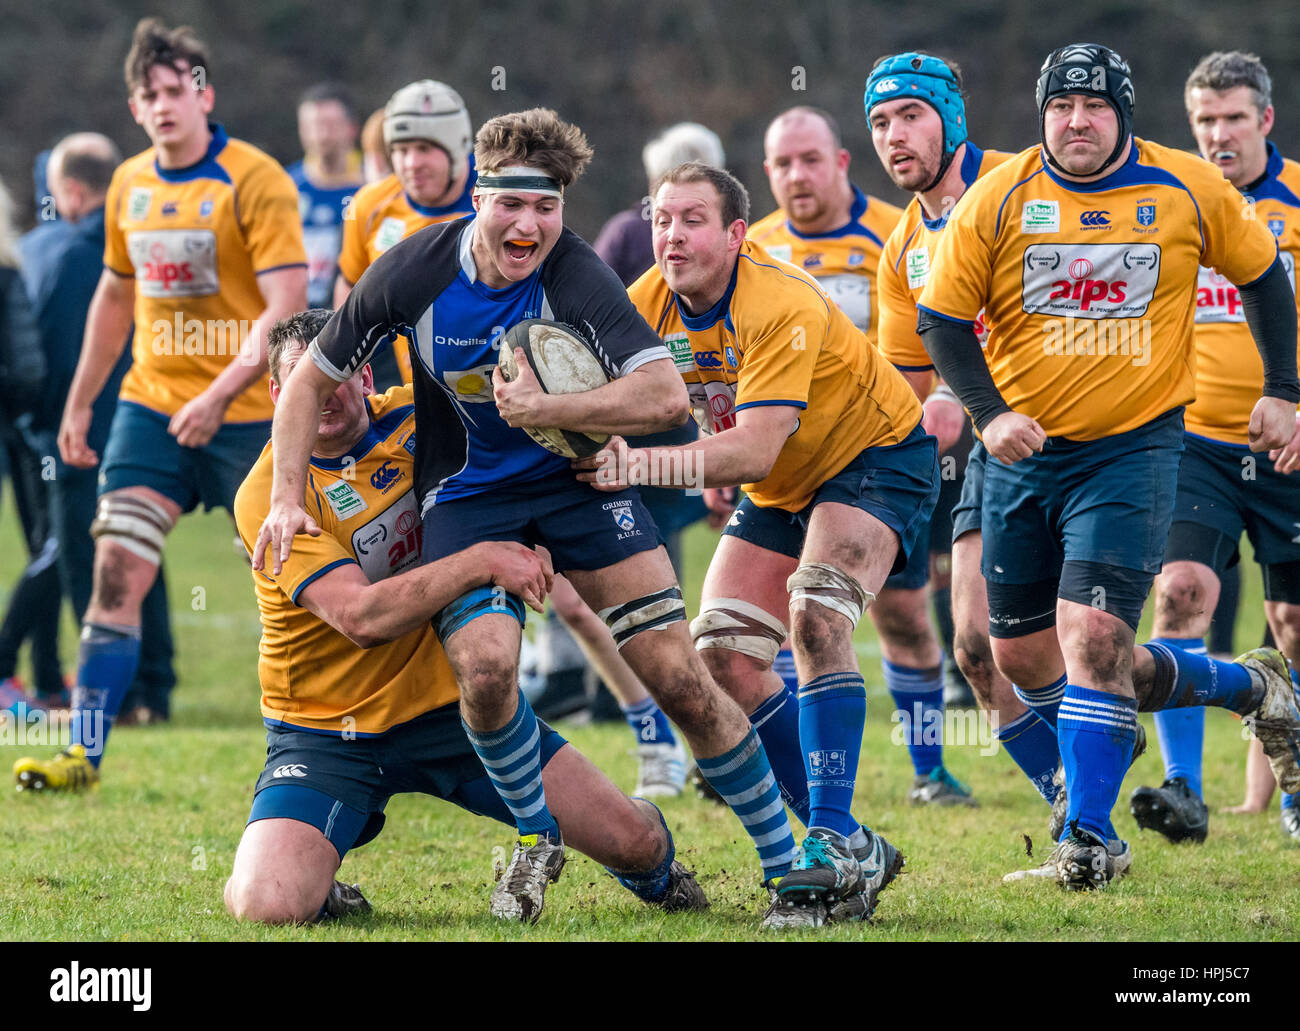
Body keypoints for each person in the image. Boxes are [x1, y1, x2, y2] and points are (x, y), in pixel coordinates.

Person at [253, 108, 800, 925]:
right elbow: (308, 378)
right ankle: (537, 833)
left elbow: (660, 395)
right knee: (484, 669)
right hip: (471, 495)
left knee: (681, 678)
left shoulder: (577, 271)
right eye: (513, 204)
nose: (531, 225)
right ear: (478, 198)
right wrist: (288, 496)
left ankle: (788, 867)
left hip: (578, 483)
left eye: (547, 208)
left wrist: (554, 404)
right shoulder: (412, 269)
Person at [917, 42, 1300, 889]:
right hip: (1026, 452)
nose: (1076, 121)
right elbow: (940, 318)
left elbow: (1265, 277)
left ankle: (1089, 841)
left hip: (1136, 446)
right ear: (1042, 114)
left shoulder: (1187, 188)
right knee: (1020, 656)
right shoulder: (1003, 193)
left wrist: (1282, 388)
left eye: (1095, 105)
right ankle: (1251, 687)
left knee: (1094, 636)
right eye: (1061, 106)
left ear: (1125, 113)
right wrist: (991, 413)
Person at [225, 309, 704, 925]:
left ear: (365, 375)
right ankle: (322, 891)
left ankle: (666, 876)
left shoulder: (423, 413)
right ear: (276, 395)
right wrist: (483, 559)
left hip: (457, 712)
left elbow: (526, 423)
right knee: (268, 903)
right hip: (324, 731)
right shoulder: (269, 497)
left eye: (335, 374)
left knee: (634, 842)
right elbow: (361, 618)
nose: (323, 394)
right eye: (302, 383)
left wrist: (595, 439)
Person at [585, 160, 934, 926]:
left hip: (876, 457)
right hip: (784, 484)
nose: (671, 235)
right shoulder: (643, 304)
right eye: (662, 220)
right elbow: (631, 398)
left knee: (817, 613)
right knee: (722, 657)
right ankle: (848, 843)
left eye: (692, 220)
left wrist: (643, 463)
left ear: (738, 234)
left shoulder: (778, 299)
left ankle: (832, 837)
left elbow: (753, 451)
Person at [13, 17, 307, 792]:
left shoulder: (256, 178)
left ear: (204, 94)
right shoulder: (129, 184)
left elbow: (288, 306)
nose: (165, 104)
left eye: (178, 89)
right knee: (114, 568)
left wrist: (219, 394)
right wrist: (80, 403)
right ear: (135, 108)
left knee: (289, 573)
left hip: (247, 410)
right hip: (150, 405)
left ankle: (324, 744)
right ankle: (84, 753)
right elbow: (115, 296)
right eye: (150, 94)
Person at [866, 55, 1072, 831]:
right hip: (996, 450)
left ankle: (1229, 698)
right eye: (881, 122)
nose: (895, 135)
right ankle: (1070, 793)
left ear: (952, 118)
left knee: (1090, 640)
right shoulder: (902, 247)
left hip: (1092, 436)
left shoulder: (1029, 185)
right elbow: (906, 386)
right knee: (978, 646)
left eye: (912, 114)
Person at [750, 103, 974, 806]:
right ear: (766, 173)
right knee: (792, 617)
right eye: (782, 164)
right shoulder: (750, 247)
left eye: (810, 159)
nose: (797, 175)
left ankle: (930, 768)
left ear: (842, 162)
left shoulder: (895, 229)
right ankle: (799, 779)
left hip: (885, 457)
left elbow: (949, 325)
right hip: (788, 465)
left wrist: (948, 397)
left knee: (904, 614)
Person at [1128, 51, 1300, 846]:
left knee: (1291, 621)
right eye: (1204, 122)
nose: (1219, 135)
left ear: (1265, 119)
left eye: (1234, 118)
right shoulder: (1172, 203)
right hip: (1193, 439)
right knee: (1181, 594)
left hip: (1290, 441)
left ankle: (1291, 786)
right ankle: (1186, 789)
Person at [12, 134, 177, 724]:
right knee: (139, 550)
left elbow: (43, 361)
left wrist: (40, 430)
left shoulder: (56, 251)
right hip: (148, 424)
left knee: (85, 560)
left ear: (72, 191)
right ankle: (151, 690)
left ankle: (110, 695)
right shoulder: (149, 241)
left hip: (75, 436)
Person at [334, 79, 476, 390]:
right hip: (420, 399)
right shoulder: (369, 205)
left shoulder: (501, 200)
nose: (411, 163)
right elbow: (349, 285)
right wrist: (351, 365)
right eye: (400, 150)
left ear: (457, 145)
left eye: (424, 149)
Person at [286, 83, 363, 309]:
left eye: (329, 125)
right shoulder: (285, 187)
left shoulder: (373, 187)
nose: (320, 135)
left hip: (355, 315)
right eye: (310, 126)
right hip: (297, 316)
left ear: (351, 129)